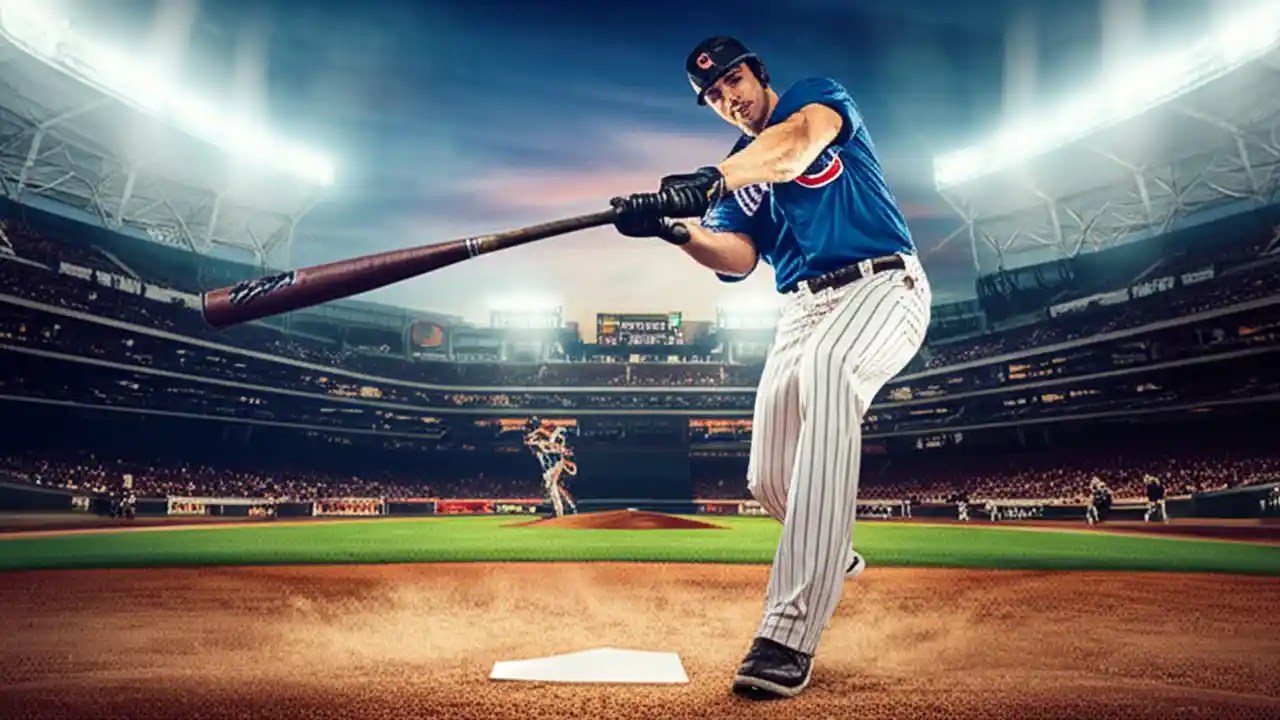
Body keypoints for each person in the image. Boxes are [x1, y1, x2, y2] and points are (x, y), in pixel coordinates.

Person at [610, 36, 931, 699]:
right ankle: (831, 553)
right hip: (803, 309)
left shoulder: (817, 99)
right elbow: (735, 256)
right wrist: (678, 229)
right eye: (714, 96)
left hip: (881, 284)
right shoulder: (736, 167)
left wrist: (712, 179)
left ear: (758, 72)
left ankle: (787, 633)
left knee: (835, 373)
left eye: (734, 80)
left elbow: (792, 150)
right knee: (767, 477)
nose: (729, 98)